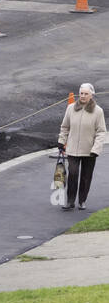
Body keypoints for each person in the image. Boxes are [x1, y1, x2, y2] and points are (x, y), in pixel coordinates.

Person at [58, 82, 106, 210]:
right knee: (73, 174)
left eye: (86, 94)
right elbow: (65, 127)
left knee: (86, 177)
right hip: (73, 149)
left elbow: (101, 132)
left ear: (92, 95)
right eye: (81, 93)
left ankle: (82, 201)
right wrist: (61, 141)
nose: (83, 96)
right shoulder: (71, 108)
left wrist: (96, 149)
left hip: (90, 151)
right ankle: (70, 201)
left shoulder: (98, 111)